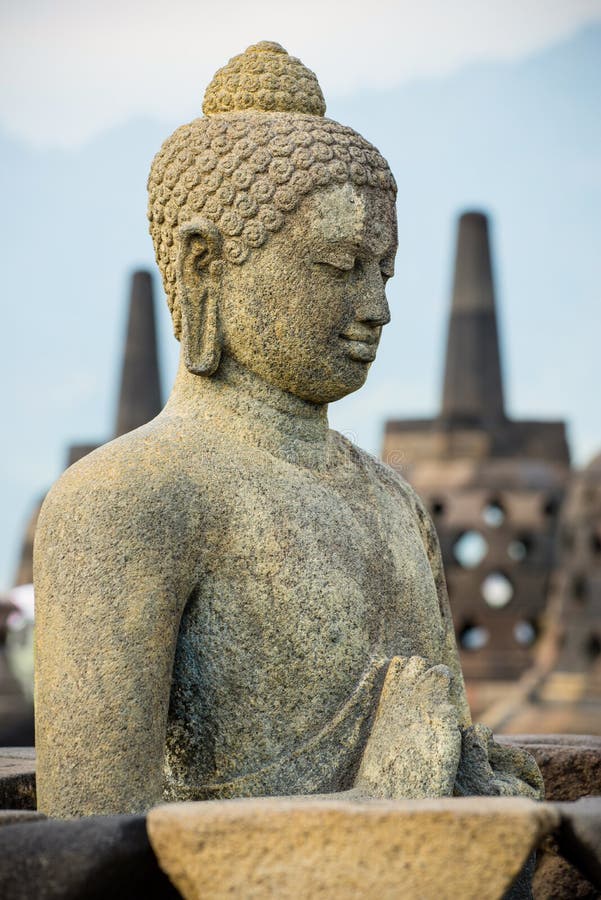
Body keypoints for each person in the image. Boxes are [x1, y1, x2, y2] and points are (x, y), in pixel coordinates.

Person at [34, 41, 543, 817]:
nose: (375, 308)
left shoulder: (395, 502)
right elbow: (85, 844)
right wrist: (382, 799)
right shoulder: (122, 503)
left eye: (384, 272)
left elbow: (451, 759)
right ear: (205, 263)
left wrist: (478, 780)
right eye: (340, 267)